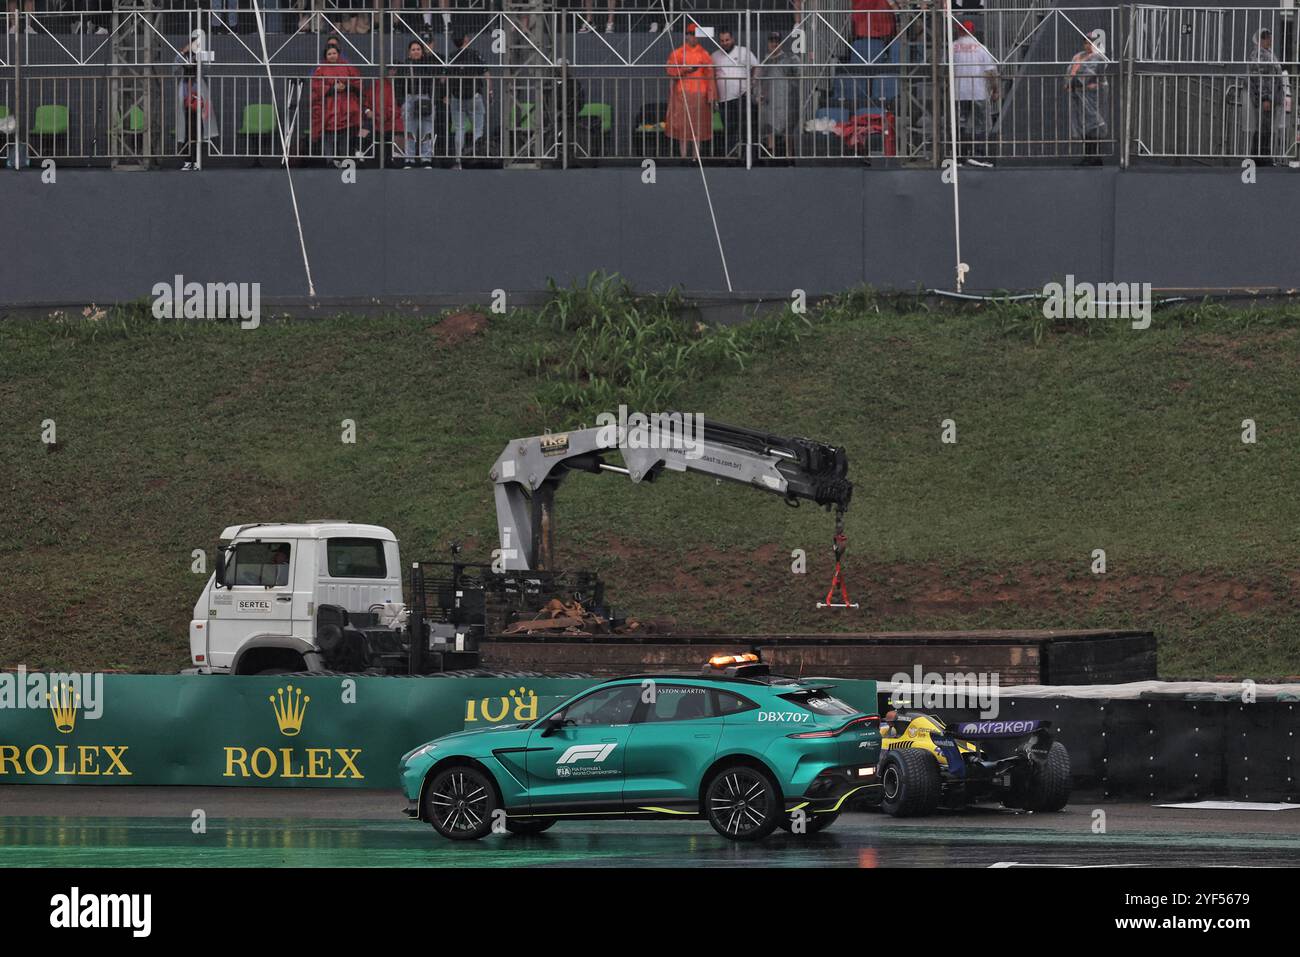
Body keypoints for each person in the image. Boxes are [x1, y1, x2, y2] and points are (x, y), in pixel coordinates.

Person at [310, 41, 368, 164]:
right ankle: (329, 160)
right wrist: (333, 89)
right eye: (329, 53)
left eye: (334, 53)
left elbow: (357, 83)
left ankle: (345, 159)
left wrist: (346, 87)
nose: (332, 55)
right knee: (328, 136)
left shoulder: (347, 66)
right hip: (328, 108)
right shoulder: (320, 69)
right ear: (325, 55)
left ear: (339, 54)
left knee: (345, 136)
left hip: (346, 107)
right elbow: (316, 86)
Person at [665, 23, 717, 161]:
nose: (694, 38)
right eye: (691, 34)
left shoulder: (704, 54)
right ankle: (683, 157)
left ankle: (696, 157)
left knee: (698, 126)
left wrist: (712, 95)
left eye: (696, 35)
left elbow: (710, 75)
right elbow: (670, 71)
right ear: (686, 35)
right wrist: (684, 69)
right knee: (683, 125)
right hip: (682, 94)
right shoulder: (678, 53)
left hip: (700, 94)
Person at [1243, 27, 1292, 167]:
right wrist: (1266, 98)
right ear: (1261, 39)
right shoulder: (1260, 55)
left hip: (1270, 98)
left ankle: (1261, 156)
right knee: (1263, 127)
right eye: (1268, 38)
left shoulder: (1266, 53)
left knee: (1265, 127)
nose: (1270, 40)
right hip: (1265, 99)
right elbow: (1262, 79)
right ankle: (1261, 157)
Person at [952, 19, 997, 167]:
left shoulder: (952, 47)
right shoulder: (980, 47)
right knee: (981, 124)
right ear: (973, 31)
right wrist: (995, 89)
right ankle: (978, 155)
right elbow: (990, 71)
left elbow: (944, 69)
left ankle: (960, 156)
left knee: (960, 124)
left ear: (959, 31)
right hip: (978, 92)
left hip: (958, 93)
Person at [444, 32, 489, 169]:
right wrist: (490, 91)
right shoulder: (474, 54)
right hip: (474, 96)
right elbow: (486, 73)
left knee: (459, 129)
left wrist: (447, 93)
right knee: (478, 130)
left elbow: (444, 78)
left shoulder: (451, 56)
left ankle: (458, 160)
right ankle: (476, 158)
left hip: (457, 97)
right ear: (465, 39)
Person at [711, 28, 758, 159]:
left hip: (743, 97)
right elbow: (712, 77)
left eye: (727, 40)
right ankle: (731, 157)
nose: (724, 43)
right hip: (724, 100)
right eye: (721, 41)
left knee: (746, 128)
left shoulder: (743, 51)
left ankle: (748, 158)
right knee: (729, 130)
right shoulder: (714, 56)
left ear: (733, 39)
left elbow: (756, 66)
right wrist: (714, 98)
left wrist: (752, 84)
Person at [1066, 28, 1108, 166]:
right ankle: (1088, 156)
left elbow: (1085, 75)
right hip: (1078, 96)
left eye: (1091, 43)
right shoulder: (1078, 56)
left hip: (1091, 96)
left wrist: (1072, 82)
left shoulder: (1098, 58)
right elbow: (1069, 73)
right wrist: (1069, 83)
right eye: (1086, 42)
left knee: (1093, 125)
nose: (1088, 45)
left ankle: (1095, 156)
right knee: (1083, 125)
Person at [175, 33, 214, 171]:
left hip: (198, 97)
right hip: (186, 97)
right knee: (187, 130)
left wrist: (200, 57)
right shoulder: (184, 56)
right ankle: (187, 160)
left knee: (198, 131)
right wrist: (183, 52)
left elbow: (207, 68)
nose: (195, 46)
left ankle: (197, 160)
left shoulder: (201, 56)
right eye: (194, 44)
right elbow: (174, 68)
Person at [758, 31, 800, 158]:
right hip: (769, 101)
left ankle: (789, 156)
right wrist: (759, 95)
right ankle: (771, 156)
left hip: (786, 100)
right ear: (768, 43)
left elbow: (799, 75)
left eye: (776, 41)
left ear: (780, 43)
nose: (774, 44)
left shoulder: (790, 59)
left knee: (788, 129)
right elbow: (758, 80)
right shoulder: (764, 61)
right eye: (771, 42)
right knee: (769, 127)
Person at [397, 38, 437, 167]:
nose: (416, 52)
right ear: (409, 52)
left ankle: (426, 159)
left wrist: (433, 100)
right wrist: (402, 102)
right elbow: (399, 85)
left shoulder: (429, 65)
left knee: (427, 131)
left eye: (418, 49)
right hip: (409, 99)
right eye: (413, 49)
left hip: (426, 98)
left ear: (422, 51)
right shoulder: (404, 67)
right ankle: (409, 159)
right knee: (410, 132)